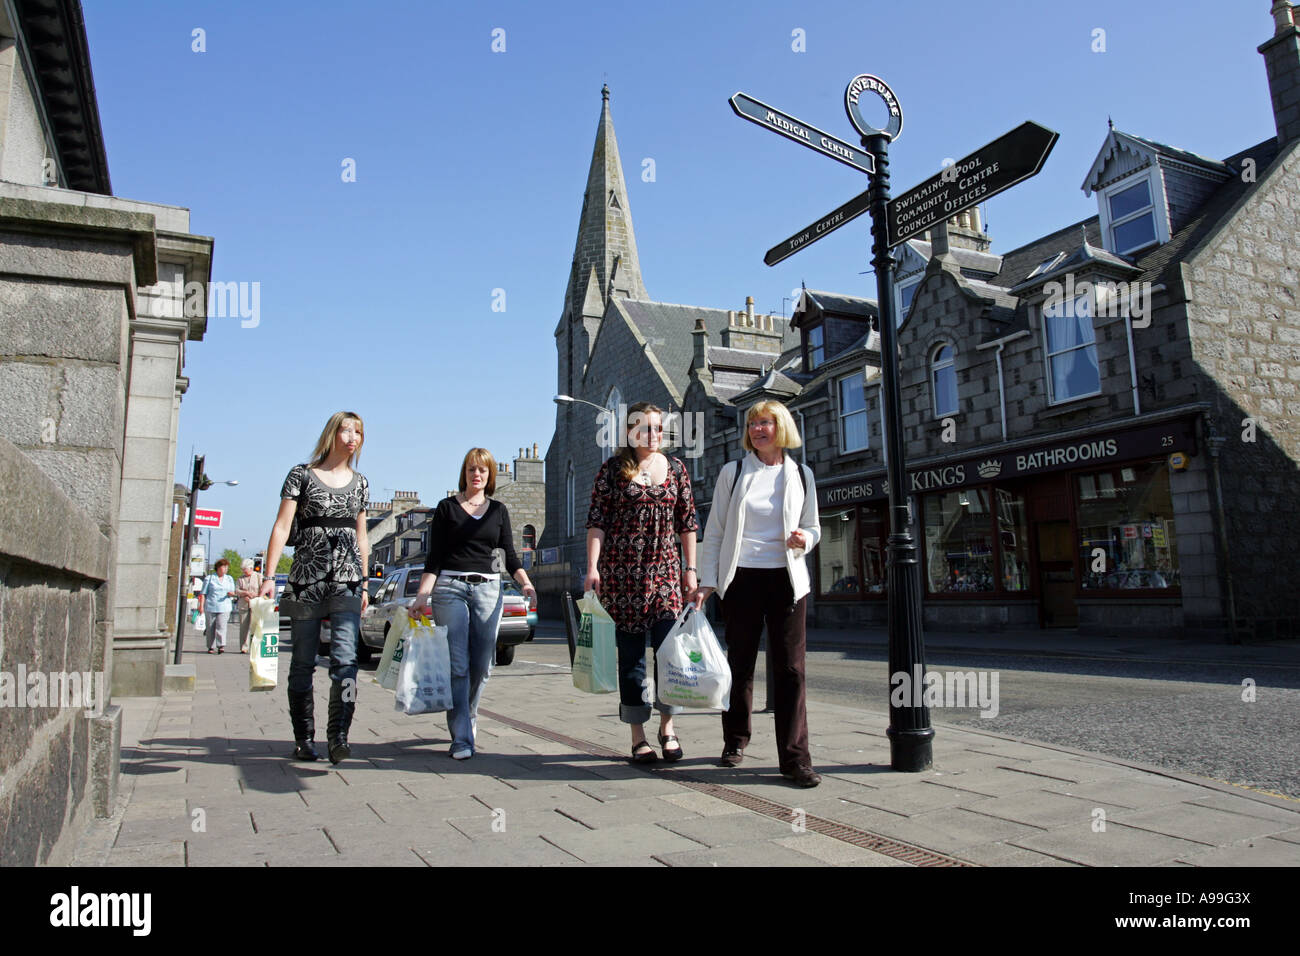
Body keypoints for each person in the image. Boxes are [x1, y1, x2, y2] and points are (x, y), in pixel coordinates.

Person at [695, 400, 822, 788]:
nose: (757, 430)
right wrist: (707, 581)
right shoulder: (732, 473)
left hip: (787, 580)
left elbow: (813, 526)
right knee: (741, 664)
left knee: (791, 670)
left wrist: (806, 538)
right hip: (742, 578)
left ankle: (795, 759)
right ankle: (735, 740)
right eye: (752, 424)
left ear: (781, 428)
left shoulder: (801, 473)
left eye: (766, 423)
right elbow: (714, 531)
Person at [585, 402, 698, 764]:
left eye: (658, 428)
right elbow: (597, 521)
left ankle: (668, 727)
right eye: (645, 428)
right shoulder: (613, 471)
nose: (653, 435)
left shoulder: (677, 470)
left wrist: (690, 569)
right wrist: (593, 567)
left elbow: (688, 523)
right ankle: (638, 736)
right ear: (630, 432)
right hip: (623, 578)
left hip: (665, 575)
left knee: (669, 656)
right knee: (631, 660)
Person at [409, 449, 537, 760]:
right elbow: (434, 558)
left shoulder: (498, 511)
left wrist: (525, 583)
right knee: (458, 664)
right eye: (471, 470)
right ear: (464, 474)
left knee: (482, 665)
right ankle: (462, 737)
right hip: (450, 588)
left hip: (489, 590)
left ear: (490, 475)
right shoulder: (446, 509)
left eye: (482, 470)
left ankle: (469, 713)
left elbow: (509, 553)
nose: (476, 475)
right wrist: (422, 595)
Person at [259, 411, 370, 764]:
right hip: (307, 578)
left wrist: (365, 583)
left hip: (348, 581)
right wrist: (267, 577)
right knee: (303, 661)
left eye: (359, 432)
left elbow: (362, 536)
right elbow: (281, 526)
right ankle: (303, 738)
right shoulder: (301, 475)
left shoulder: (361, 483)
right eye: (346, 429)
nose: (352, 436)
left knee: (345, 660)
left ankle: (338, 736)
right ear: (332, 433)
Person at [198, 559, 236, 654]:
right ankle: (211, 646)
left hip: (225, 606)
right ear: (218, 568)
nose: (226, 569)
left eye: (227, 567)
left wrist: (232, 594)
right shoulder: (210, 578)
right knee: (210, 627)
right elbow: (203, 593)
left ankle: (221, 645)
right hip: (211, 605)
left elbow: (233, 591)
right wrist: (201, 606)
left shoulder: (229, 579)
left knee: (221, 626)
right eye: (224, 567)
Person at [234, 558, 263, 653]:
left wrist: (254, 595)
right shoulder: (240, 579)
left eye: (245, 569)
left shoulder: (258, 576)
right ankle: (244, 647)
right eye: (242, 569)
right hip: (244, 605)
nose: (243, 571)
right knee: (244, 627)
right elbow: (237, 591)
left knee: (256, 627)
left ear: (251, 568)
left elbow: (262, 590)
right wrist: (245, 593)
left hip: (255, 604)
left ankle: (255, 647)